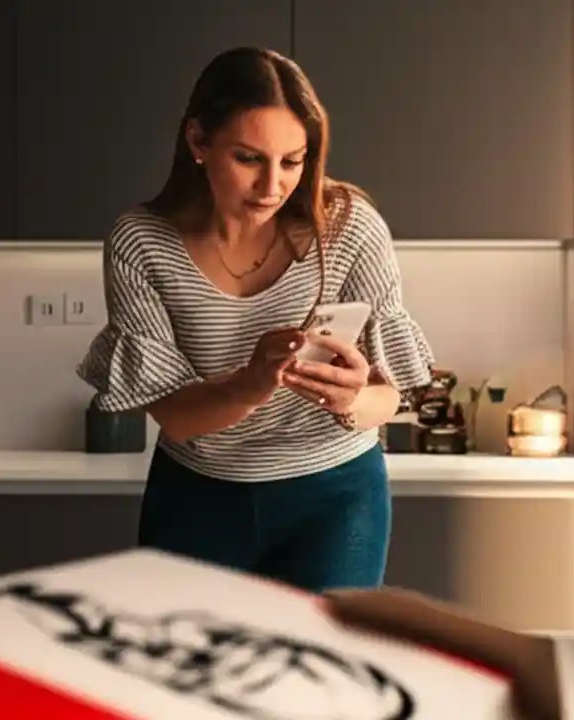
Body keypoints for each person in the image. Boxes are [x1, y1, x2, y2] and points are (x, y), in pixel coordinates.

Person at [76, 46, 434, 593]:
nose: (273, 185)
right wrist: (252, 381)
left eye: (292, 161)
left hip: (335, 499)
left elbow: (388, 399)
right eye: (249, 158)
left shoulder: (349, 226)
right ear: (198, 141)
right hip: (197, 499)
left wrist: (350, 398)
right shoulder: (141, 242)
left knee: (321, 673)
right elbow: (176, 418)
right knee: (184, 672)